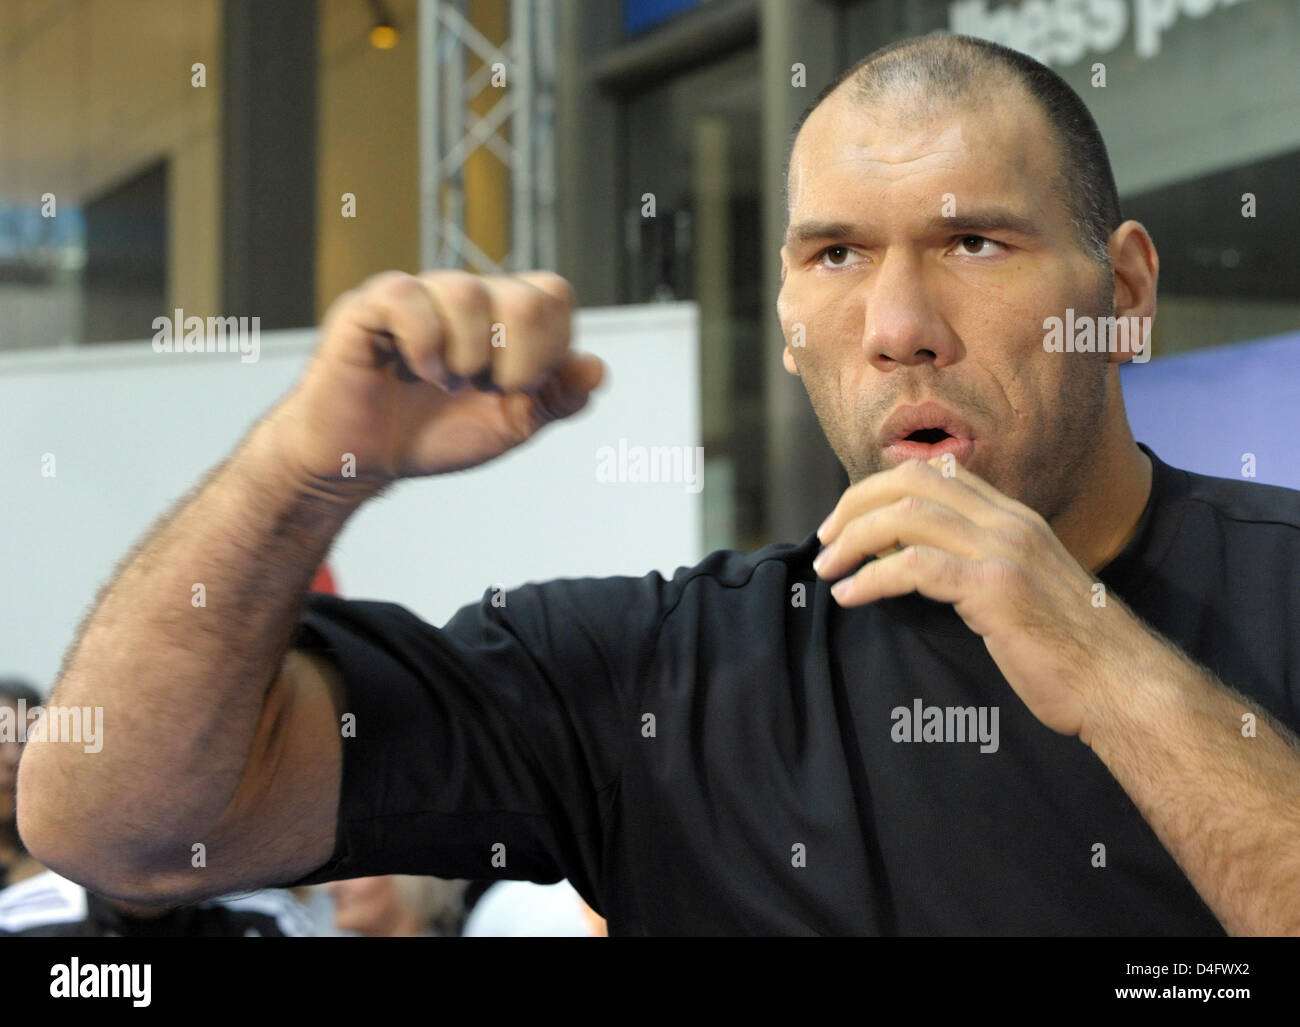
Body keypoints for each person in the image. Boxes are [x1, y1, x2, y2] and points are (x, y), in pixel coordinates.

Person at [16, 34, 1300, 936]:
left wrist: (1103, 660)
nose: (899, 323)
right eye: (838, 254)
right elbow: (110, 820)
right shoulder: (659, 676)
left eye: (973, 242)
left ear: (1121, 295)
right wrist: (297, 473)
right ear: (791, 317)